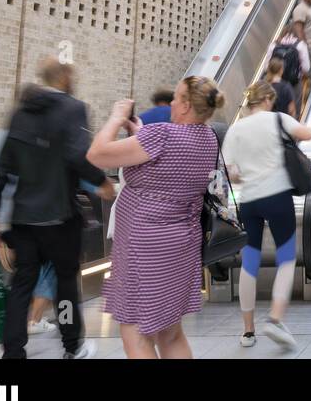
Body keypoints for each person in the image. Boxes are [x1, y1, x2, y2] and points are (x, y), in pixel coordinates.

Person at [89, 76, 224, 358]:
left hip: (144, 243)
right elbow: (165, 164)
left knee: (136, 331)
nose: (172, 102)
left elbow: (97, 154)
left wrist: (115, 118)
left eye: (176, 98)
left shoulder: (162, 134)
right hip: (182, 243)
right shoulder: (209, 137)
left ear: (186, 106)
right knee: (171, 332)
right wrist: (139, 132)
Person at [0, 59, 109, 360]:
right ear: (65, 77)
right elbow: (78, 155)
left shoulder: (19, 114)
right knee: (66, 283)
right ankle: (71, 346)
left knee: (22, 284)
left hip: (23, 219)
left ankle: (13, 351)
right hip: (60, 217)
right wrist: (102, 181)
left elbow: (3, 167)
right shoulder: (73, 108)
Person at [221, 80, 311, 350]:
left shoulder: (236, 130)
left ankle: (248, 331)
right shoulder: (277, 119)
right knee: (286, 258)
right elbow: (307, 133)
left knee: (250, 262)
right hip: (277, 196)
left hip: (249, 201)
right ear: (267, 100)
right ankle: (274, 318)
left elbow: (231, 171)